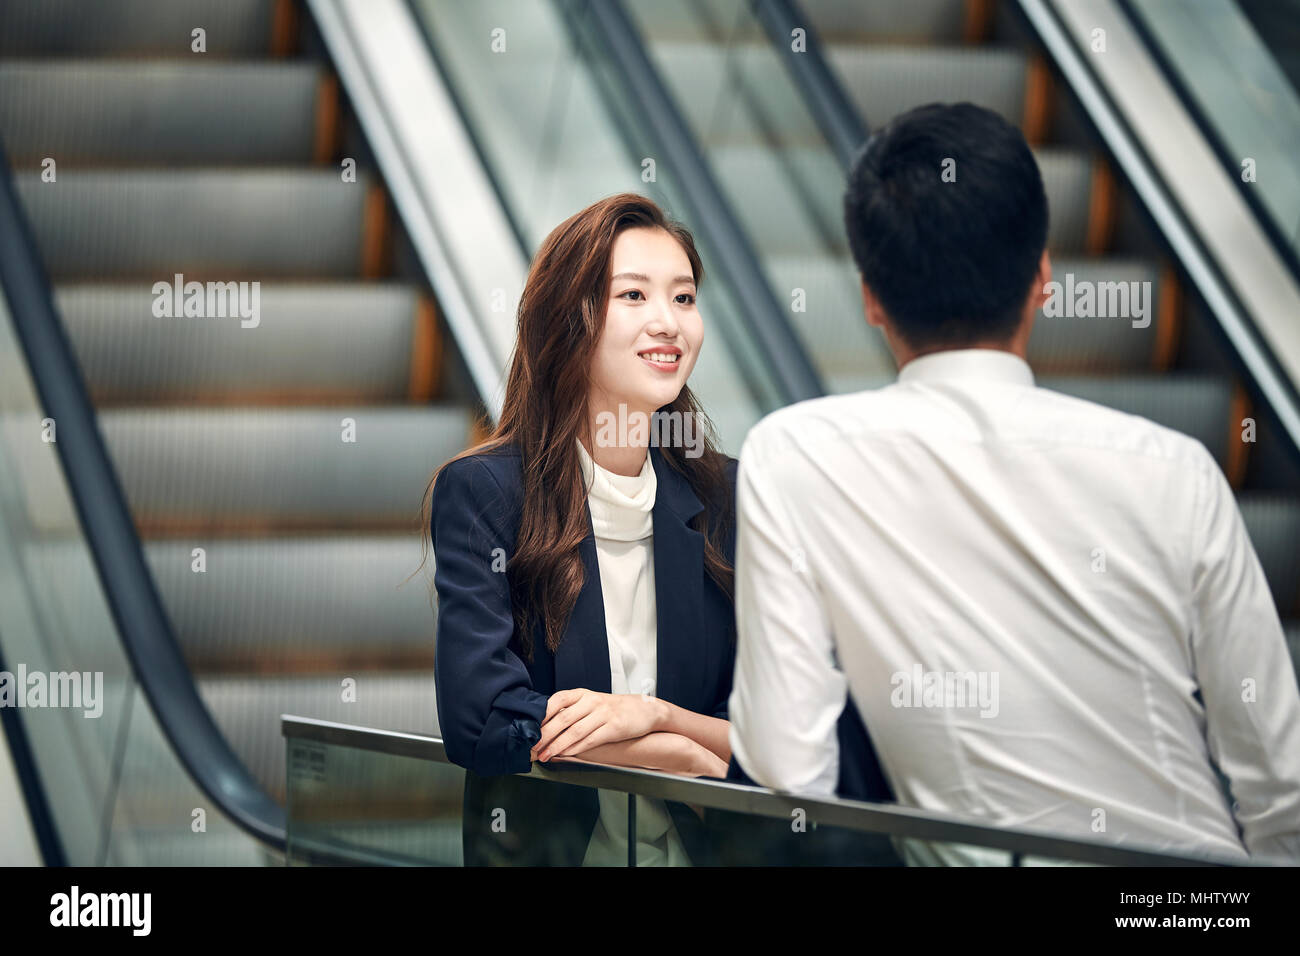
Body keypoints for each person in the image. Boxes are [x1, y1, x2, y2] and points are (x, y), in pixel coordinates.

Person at [727, 102, 1300, 865]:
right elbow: (1280, 782)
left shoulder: (796, 455)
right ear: (1043, 278)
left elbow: (789, 771)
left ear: (869, 296)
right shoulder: (1177, 470)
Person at [425, 193, 737, 866]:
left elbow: (769, 734)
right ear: (571, 319)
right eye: (633, 295)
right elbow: (482, 717)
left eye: (684, 299)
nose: (669, 323)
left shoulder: (724, 496)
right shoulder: (488, 494)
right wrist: (685, 755)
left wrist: (654, 718)